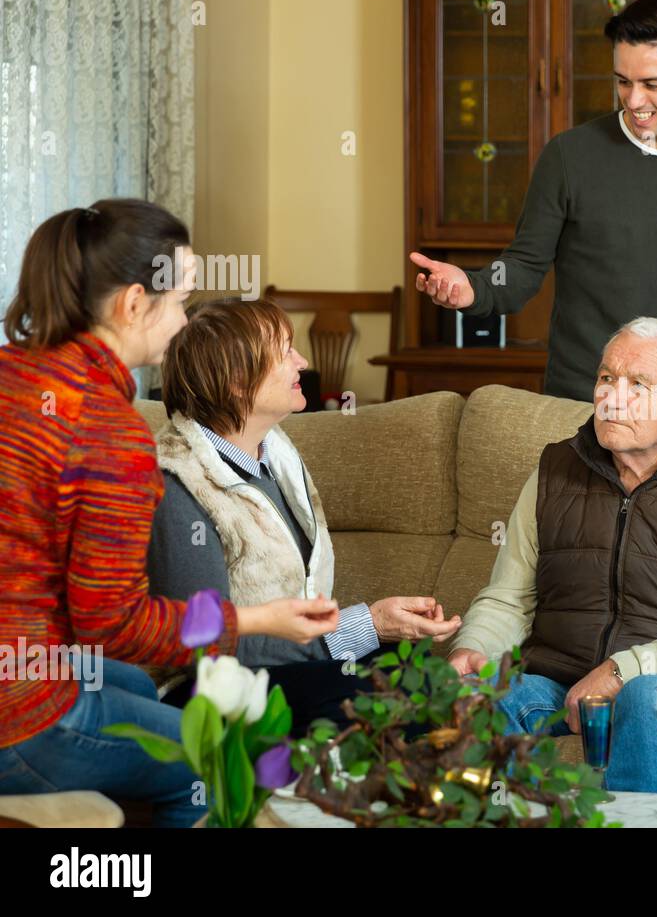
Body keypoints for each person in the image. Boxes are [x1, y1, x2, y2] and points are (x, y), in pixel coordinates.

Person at [0, 200, 338, 827]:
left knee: (127, 683)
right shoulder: (109, 433)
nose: (185, 320)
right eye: (181, 301)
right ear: (133, 304)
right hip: (18, 710)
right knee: (213, 761)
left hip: (26, 657)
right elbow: (115, 624)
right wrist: (261, 618)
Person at [445, 317, 657, 793]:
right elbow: (508, 599)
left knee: (647, 696)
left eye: (639, 384)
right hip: (560, 682)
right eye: (606, 378)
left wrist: (625, 670)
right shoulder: (554, 472)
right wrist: (472, 649)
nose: (612, 397)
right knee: (485, 701)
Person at [410, 0, 657, 431]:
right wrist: (474, 289)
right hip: (577, 402)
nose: (633, 100)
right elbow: (522, 267)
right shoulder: (568, 156)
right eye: (622, 81)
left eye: (651, 84)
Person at [146, 299, 461, 728]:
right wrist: (361, 626)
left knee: (414, 669)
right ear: (238, 380)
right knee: (378, 692)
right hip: (204, 694)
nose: (303, 362)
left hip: (283, 672)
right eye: (285, 351)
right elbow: (204, 647)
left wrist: (372, 628)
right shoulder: (180, 484)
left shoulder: (276, 461)